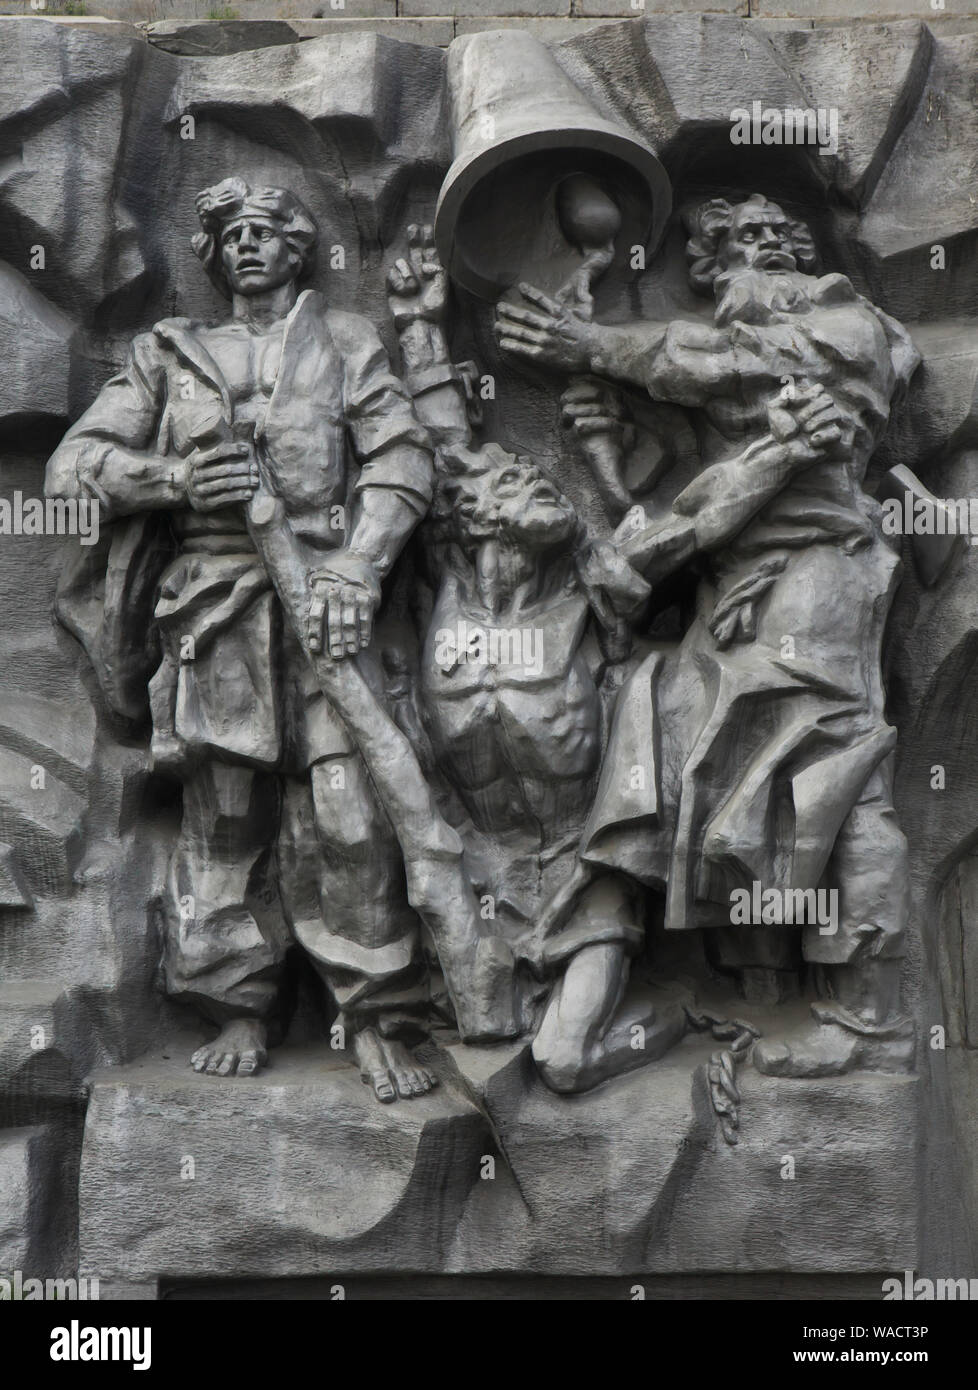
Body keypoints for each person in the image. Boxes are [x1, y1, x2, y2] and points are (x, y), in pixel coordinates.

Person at [497, 193, 920, 1076]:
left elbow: (726, 367)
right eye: (730, 249)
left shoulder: (843, 322)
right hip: (729, 594)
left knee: (833, 765)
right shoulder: (723, 367)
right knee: (697, 752)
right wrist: (612, 436)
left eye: (773, 241)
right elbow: (686, 494)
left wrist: (600, 346)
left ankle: (869, 1015)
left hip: (819, 576)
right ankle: (747, 963)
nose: (753, 261)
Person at [46, 178, 448, 1100]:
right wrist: (174, 477)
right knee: (226, 818)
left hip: (329, 600)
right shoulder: (169, 354)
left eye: (268, 233)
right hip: (213, 612)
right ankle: (239, 1002)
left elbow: (402, 457)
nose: (249, 248)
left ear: (301, 249)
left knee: (348, 813)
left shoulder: (346, 342)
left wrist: (359, 566)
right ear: (214, 255)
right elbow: (75, 466)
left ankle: (375, 1013)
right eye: (232, 236)